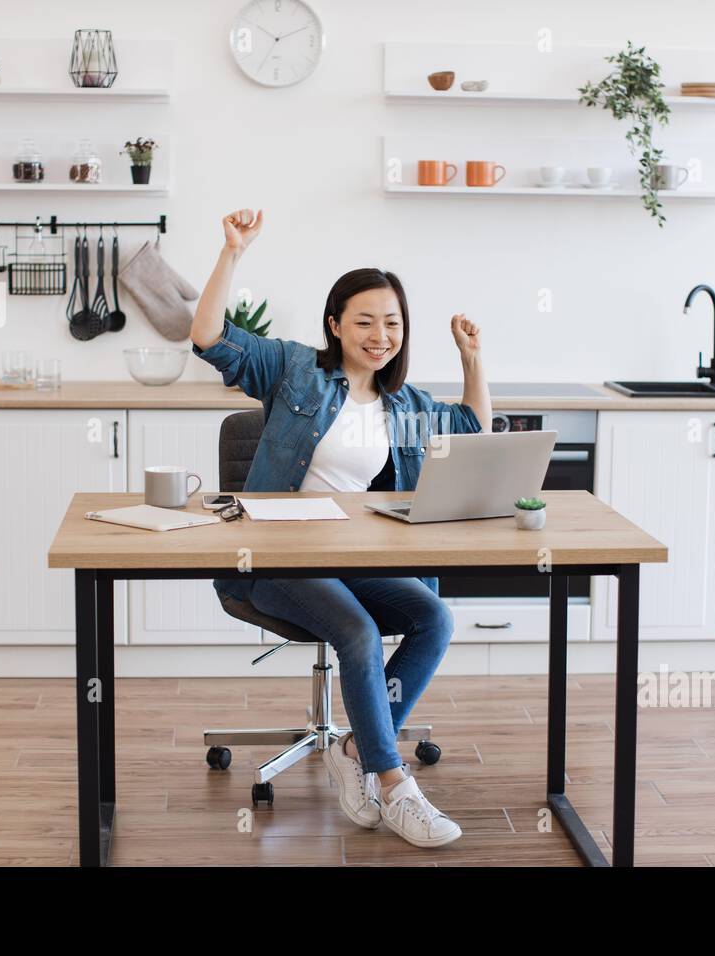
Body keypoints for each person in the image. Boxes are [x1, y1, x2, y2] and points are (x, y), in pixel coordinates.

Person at [190, 208, 492, 848]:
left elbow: (473, 430)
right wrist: (232, 254)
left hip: (355, 557)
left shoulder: (403, 405)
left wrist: (472, 357)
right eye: (365, 321)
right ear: (335, 325)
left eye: (393, 323)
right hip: (275, 558)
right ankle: (394, 784)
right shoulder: (297, 370)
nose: (380, 334)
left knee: (435, 616)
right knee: (356, 630)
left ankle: (357, 746)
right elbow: (209, 336)